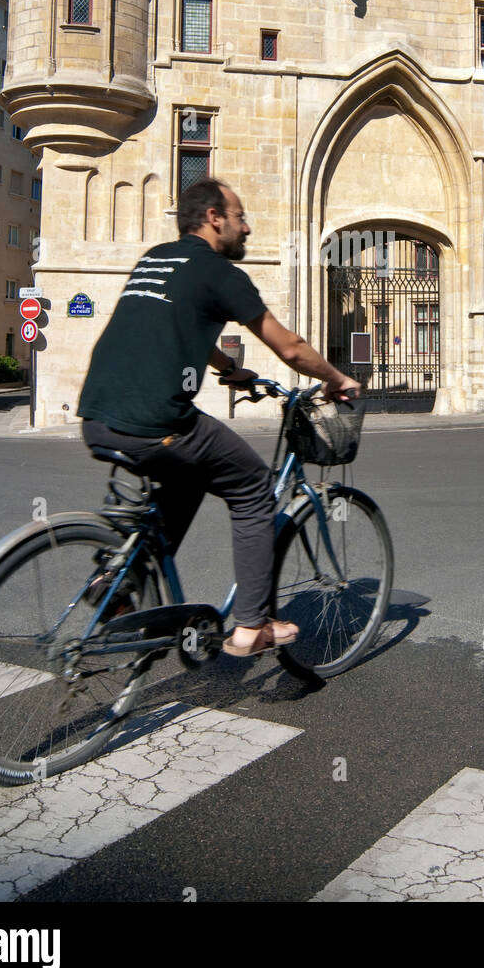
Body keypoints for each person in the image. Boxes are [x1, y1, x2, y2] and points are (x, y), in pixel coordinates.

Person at [77, 178, 361, 656]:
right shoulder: (220, 272)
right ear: (214, 218)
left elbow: (178, 322)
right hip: (155, 421)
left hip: (97, 415)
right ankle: (252, 626)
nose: (246, 227)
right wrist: (337, 378)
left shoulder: (155, 259)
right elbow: (290, 347)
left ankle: (116, 583)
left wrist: (229, 368)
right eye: (240, 216)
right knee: (252, 484)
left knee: (187, 479)